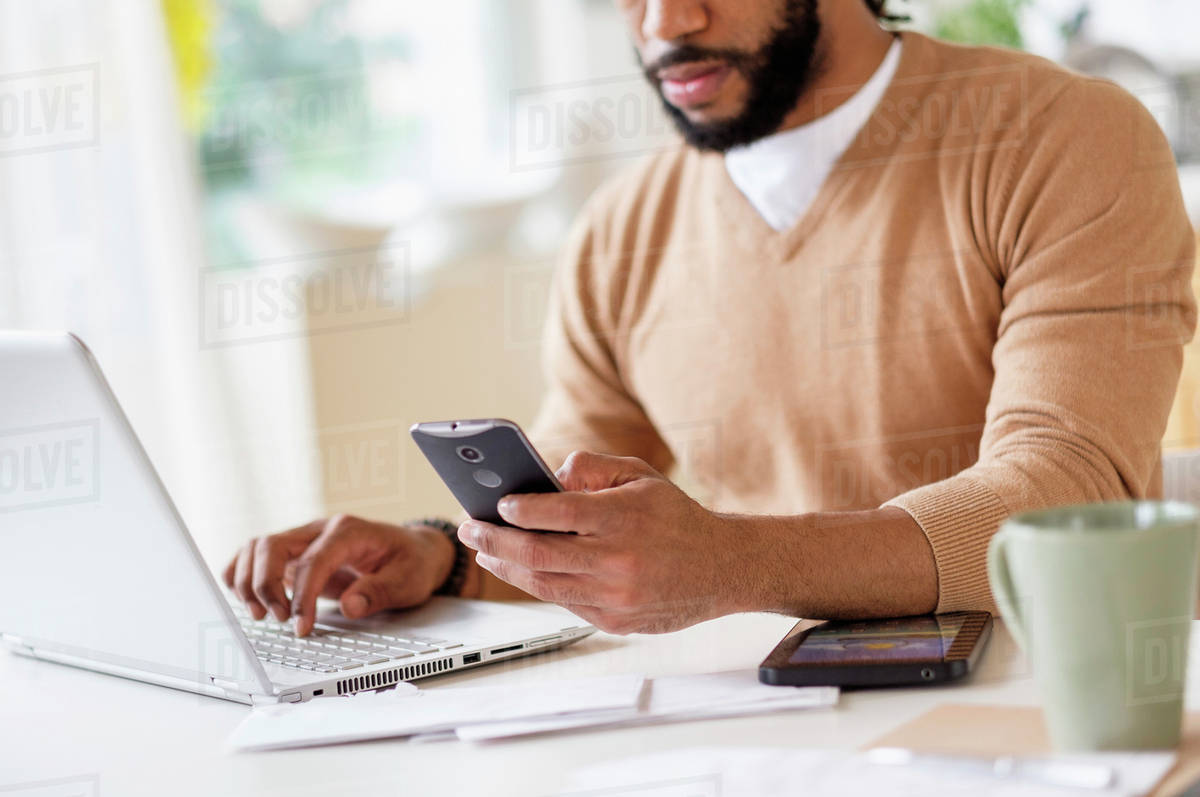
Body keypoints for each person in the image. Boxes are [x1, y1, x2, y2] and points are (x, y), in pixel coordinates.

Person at [225, 0, 1196, 638]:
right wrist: (438, 554)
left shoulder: (1066, 139)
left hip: (1033, 711)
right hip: (756, 730)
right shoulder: (621, 233)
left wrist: (733, 563)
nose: (665, 24)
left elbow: (1065, 501)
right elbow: (570, 512)